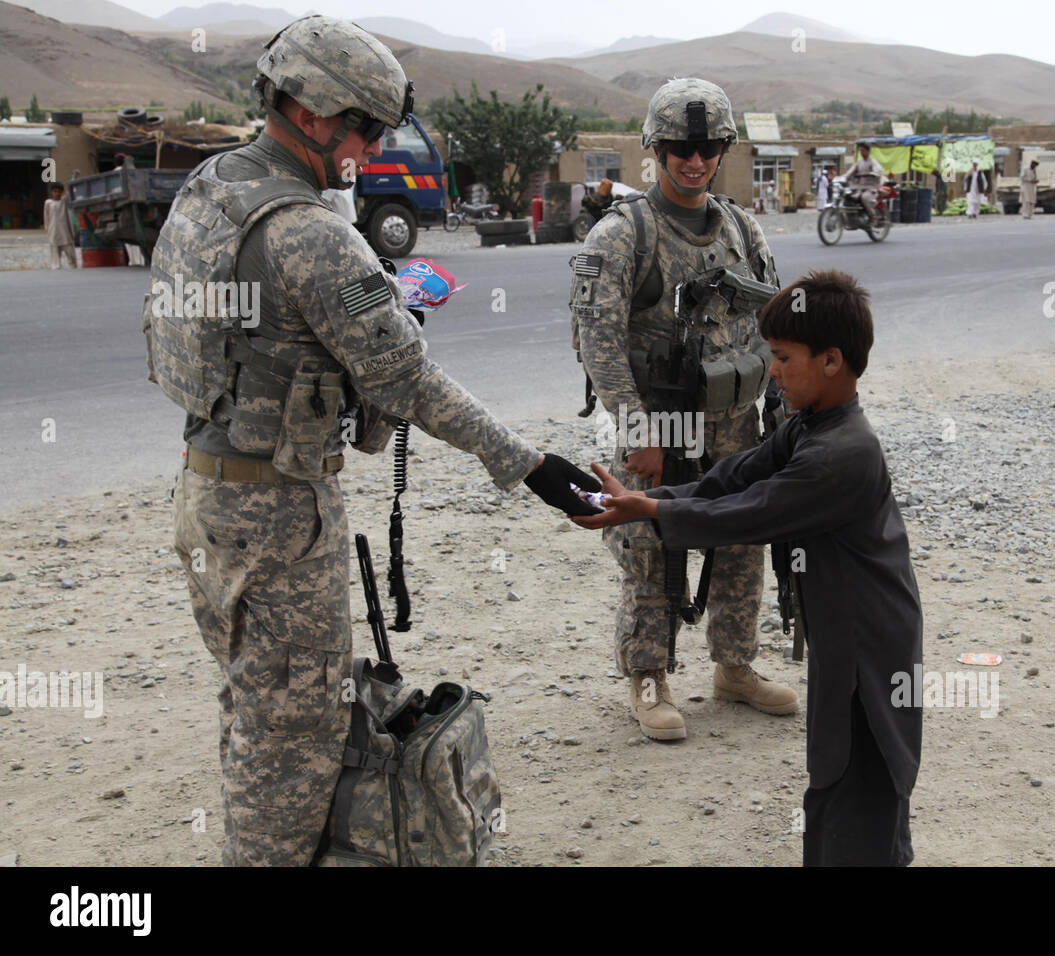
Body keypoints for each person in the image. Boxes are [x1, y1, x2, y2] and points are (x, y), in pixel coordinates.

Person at [147, 14, 598, 866]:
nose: (373, 147)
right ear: (313, 113)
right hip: (279, 517)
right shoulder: (313, 233)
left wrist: (360, 309)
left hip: (205, 495)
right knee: (299, 735)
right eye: (366, 127)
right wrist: (530, 464)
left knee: (254, 704)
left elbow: (257, 329)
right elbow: (407, 381)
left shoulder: (214, 186)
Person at [573, 269, 923, 866]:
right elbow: (737, 478)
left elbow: (749, 514)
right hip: (848, 633)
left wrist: (650, 510)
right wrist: (651, 503)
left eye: (784, 358)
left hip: (869, 643)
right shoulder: (814, 426)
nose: (775, 371)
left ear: (833, 361)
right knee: (834, 775)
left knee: (859, 777)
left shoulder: (842, 455)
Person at [571, 77, 797, 742]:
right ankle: (648, 677)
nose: (693, 159)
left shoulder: (740, 226)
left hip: (735, 418)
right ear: (656, 149)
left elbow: (774, 318)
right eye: (679, 146)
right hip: (661, 423)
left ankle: (734, 664)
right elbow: (599, 338)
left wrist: (785, 413)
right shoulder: (624, 234)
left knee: (743, 536)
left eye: (706, 146)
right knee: (648, 545)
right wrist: (636, 426)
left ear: (721, 148)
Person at [845, 139, 884, 217]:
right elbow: (849, 172)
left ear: (868, 151)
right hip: (859, 187)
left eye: (863, 151)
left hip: (871, 188)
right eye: (861, 151)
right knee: (848, 196)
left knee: (865, 198)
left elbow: (878, 171)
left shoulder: (873, 162)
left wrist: (871, 174)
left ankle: (873, 216)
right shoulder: (859, 163)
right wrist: (842, 177)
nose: (862, 153)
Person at [43, 182, 77, 269]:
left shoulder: (64, 201)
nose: (57, 194)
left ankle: (74, 269)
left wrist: (74, 177)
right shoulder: (48, 203)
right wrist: (47, 230)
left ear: (62, 192)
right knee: (55, 258)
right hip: (53, 232)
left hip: (65, 233)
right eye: (55, 191)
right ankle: (56, 270)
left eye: (59, 192)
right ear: (51, 192)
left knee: (71, 254)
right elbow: (46, 218)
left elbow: (71, 192)